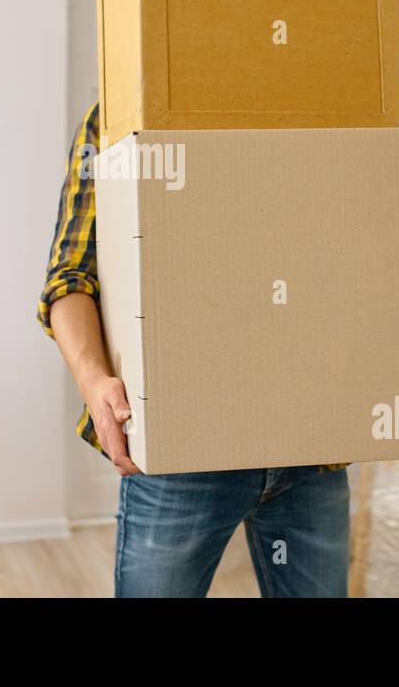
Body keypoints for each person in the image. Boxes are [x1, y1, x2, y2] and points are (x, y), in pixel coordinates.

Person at [37, 102, 350, 598]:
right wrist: (95, 383)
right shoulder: (120, 107)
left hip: (312, 447)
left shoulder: (318, 91)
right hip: (179, 450)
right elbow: (70, 276)